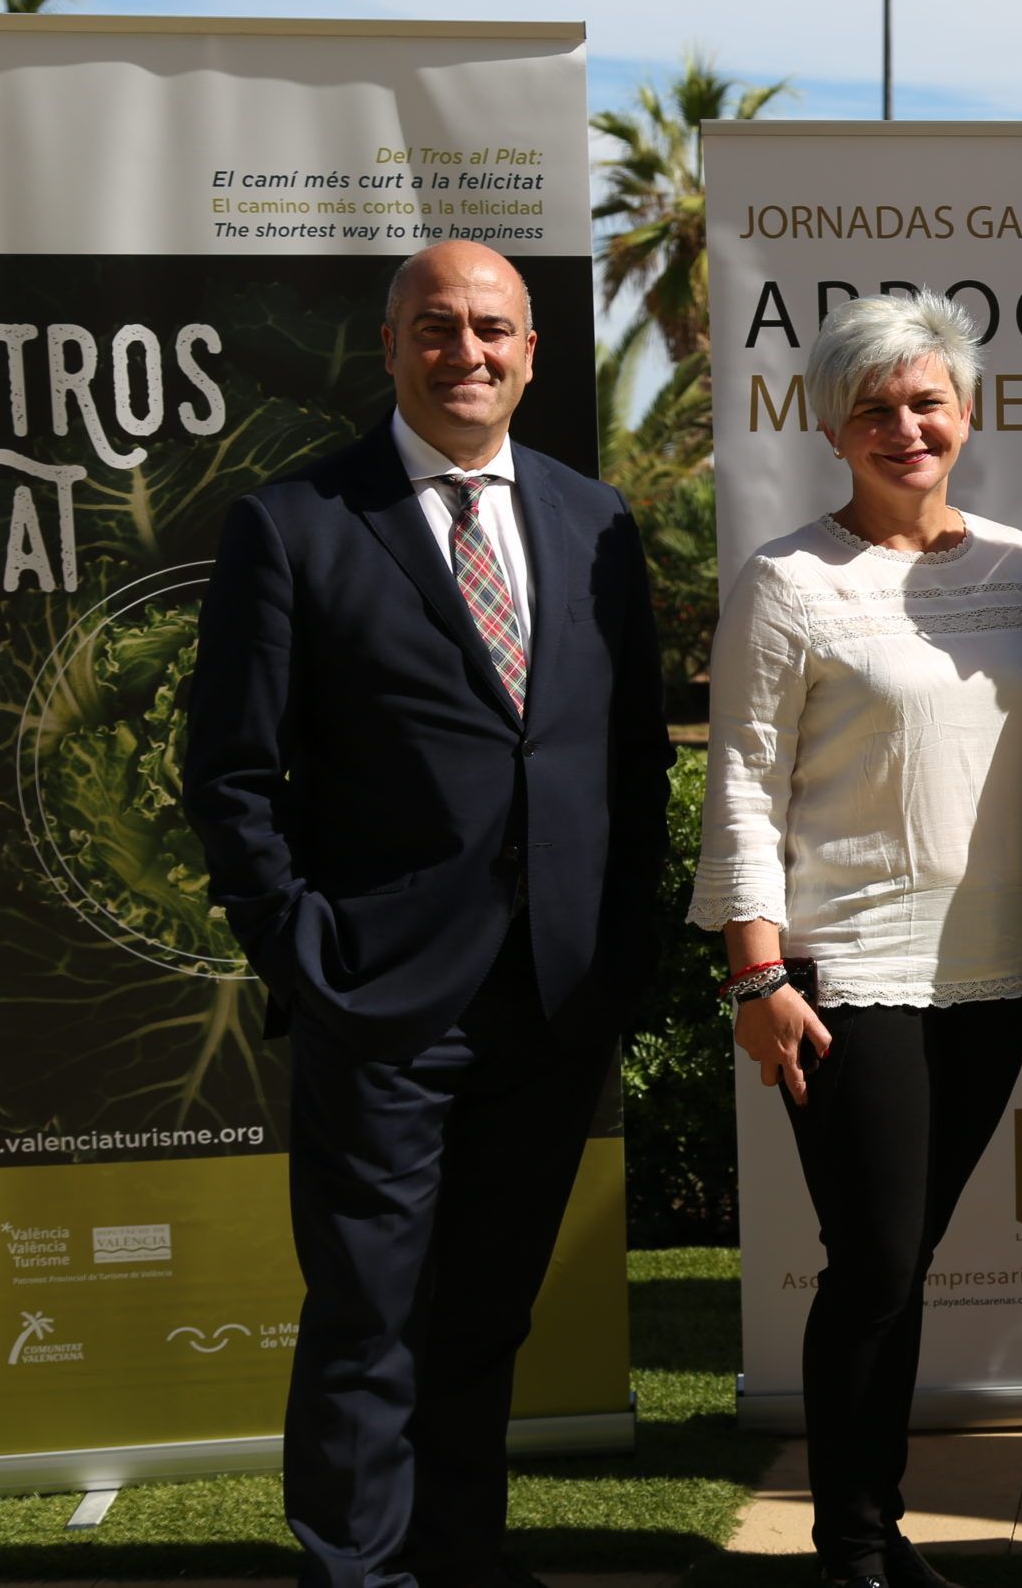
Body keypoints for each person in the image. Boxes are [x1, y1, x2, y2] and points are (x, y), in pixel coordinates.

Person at [183, 240, 673, 1587]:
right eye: (438, 328)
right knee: (369, 1318)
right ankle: (356, 1573)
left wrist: (619, 946)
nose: (469, 353)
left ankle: (462, 1558)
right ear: (391, 346)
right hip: (382, 996)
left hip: (554, 998)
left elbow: (631, 757)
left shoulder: (596, 521)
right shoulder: (293, 522)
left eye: (494, 330)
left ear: (530, 352)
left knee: (482, 1317)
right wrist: (301, 949)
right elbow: (229, 775)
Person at [690, 290, 1022, 1588]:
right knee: (872, 1264)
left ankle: (875, 1529)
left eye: (927, 402)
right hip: (843, 980)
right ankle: (855, 1547)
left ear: (967, 415)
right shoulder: (788, 582)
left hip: (991, 980)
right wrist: (755, 969)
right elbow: (743, 782)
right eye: (876, 407)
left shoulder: (1019, 566)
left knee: (903, 1263)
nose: (904, 426)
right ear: (832, 425)